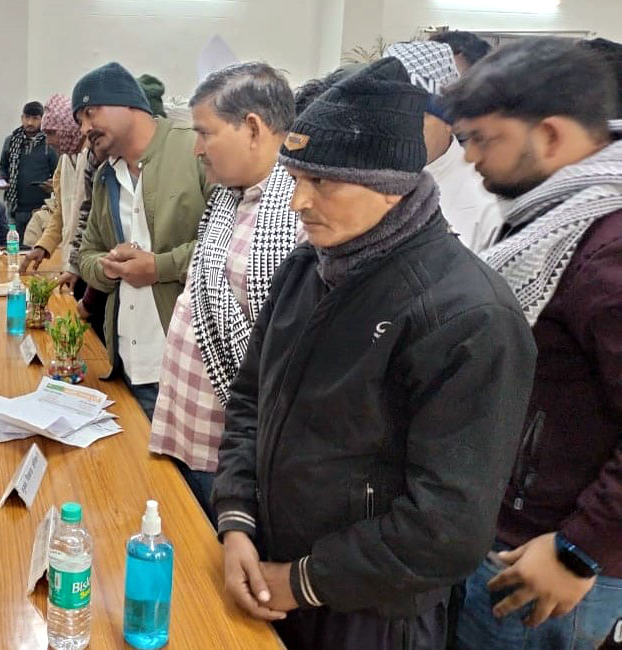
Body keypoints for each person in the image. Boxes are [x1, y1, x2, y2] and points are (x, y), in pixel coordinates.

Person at [211, 58, 537, 650]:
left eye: (324, 183)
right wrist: (236, 521)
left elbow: (448, 527)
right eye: (296, 178)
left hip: (370, 614)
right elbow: (251, 399)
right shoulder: (305, 271)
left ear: (393, 186)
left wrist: (306, 580)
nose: (298, 203)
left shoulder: (468, 317)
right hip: (271, 576)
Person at [443, 38, 622, 650]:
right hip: (509, 523)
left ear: (548, 135)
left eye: (481, 139)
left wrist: (579, 549)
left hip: (550, 553)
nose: (467, 158)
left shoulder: (608, 248)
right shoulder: (551, 220)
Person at [148, 63, 301, 522]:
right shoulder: (227, 197)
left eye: (205, 133)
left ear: (252, 128)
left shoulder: (298, 212)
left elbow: (281, 358)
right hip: (189, 430)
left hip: (236, 454)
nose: (196, 149)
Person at [72, 61, 208, 419]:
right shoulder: (106, 176)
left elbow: (234, 244)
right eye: (79, 120)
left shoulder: (194, 148)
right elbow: (87, 253)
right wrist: (108, 266)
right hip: (126, 368)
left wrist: (159, 267)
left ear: (127, 102)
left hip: (189, 372)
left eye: (89, 113)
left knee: (195, 478)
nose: (85, 128)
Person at [386, 41, 503, 251]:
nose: (399, 126)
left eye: (418, 116)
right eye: (388, 114)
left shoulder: (486, 201)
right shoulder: (358, 181)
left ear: (450, 120)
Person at [20, 94, 91, 286]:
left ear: (69, 128)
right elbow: (61, 211)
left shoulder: (94, 159)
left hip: (92, 267)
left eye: (52, 133)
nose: (48, 141)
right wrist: (43, 246)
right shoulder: (65, 161)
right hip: (71, 262)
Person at [0, 101, 59, 237]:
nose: (30, 122)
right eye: (27, 117)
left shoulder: (49, 143)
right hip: (14, 208)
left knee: (35, 248)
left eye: (35, 118)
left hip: (40, 208)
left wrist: (52, 184)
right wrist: (0, 179)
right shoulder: (11, 140)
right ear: (22, 118)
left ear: (42, 119)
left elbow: (58, 174)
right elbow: (3, 167)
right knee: (14, 246)